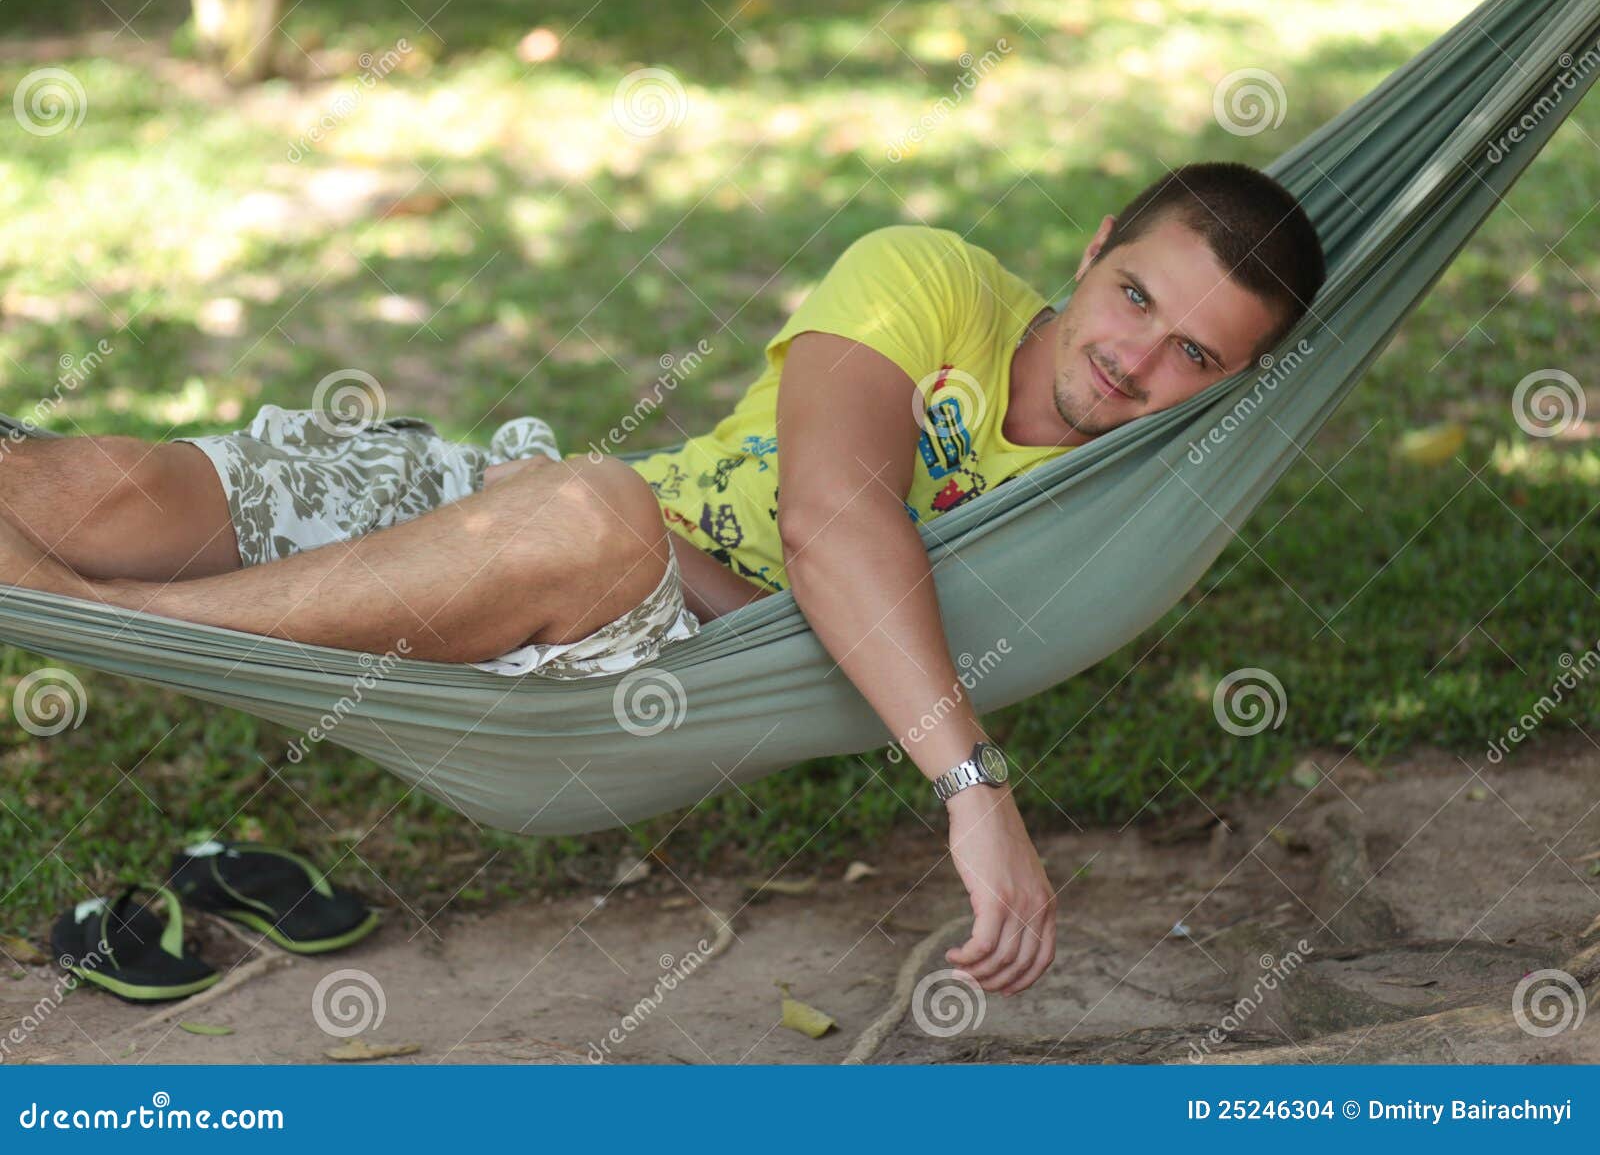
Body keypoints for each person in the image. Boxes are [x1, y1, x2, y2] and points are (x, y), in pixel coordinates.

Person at [0, 160, 1324, 996]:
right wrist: (967, 775)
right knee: (78, 492)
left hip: (636, 644)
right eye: (1138, 298)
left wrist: (961, 781)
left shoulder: (1116, 498)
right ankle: (94, 600)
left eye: (1200, 359)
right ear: (1096, 247)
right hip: (519, 511)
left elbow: (813, 566)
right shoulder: (927, 277)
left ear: (1236, 386)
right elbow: (831, 521)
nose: (1138, 363)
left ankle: (105, 623)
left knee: (597, 509)